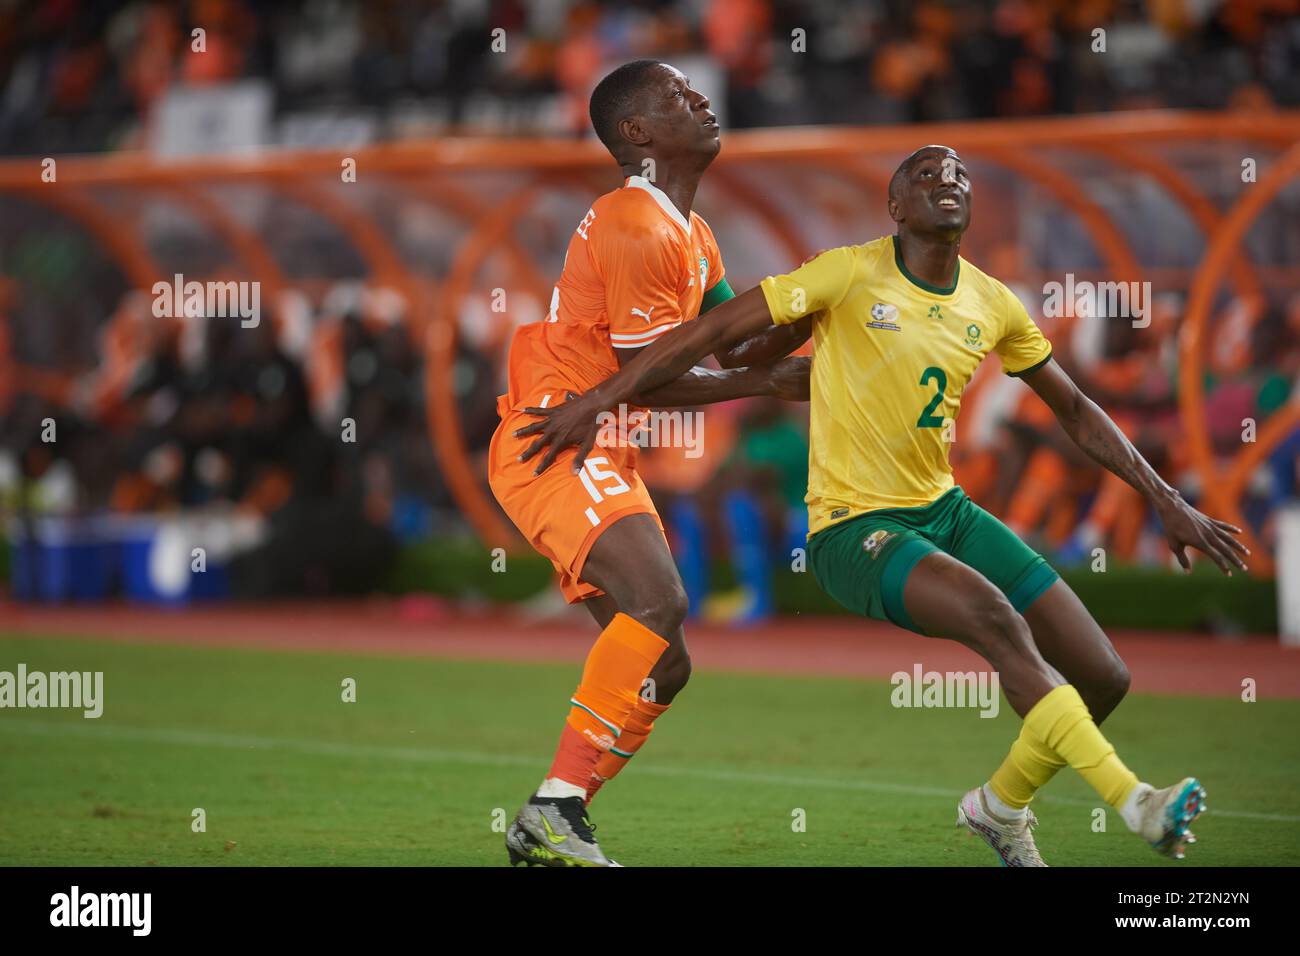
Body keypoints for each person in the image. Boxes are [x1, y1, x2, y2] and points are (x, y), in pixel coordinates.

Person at [516, 145, 1249, 866]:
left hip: (947, 513)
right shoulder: (845, 272)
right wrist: (602, 399)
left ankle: (998, 807)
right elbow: (711, 335)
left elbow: (1077, 408)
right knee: (996, 620)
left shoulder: (993, 303)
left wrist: (1165, 498)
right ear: (896, 206)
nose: (948, 180)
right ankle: (1136, 802)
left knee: (1103, 679)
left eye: (959, 172)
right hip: (854, 527)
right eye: (926, 174)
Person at [488, 60, 809, 867]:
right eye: (676, 96)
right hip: (556, 435)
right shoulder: (636, 222)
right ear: (636, 134)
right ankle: (556, 805)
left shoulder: (691, 234)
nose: (701, 100)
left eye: (696, 90)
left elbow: (733, 336)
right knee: (661, 599)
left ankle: (556, 815)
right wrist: (766, 378)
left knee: (666, 665)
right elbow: (651, 372)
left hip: (594, 442)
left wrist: (826, 307)